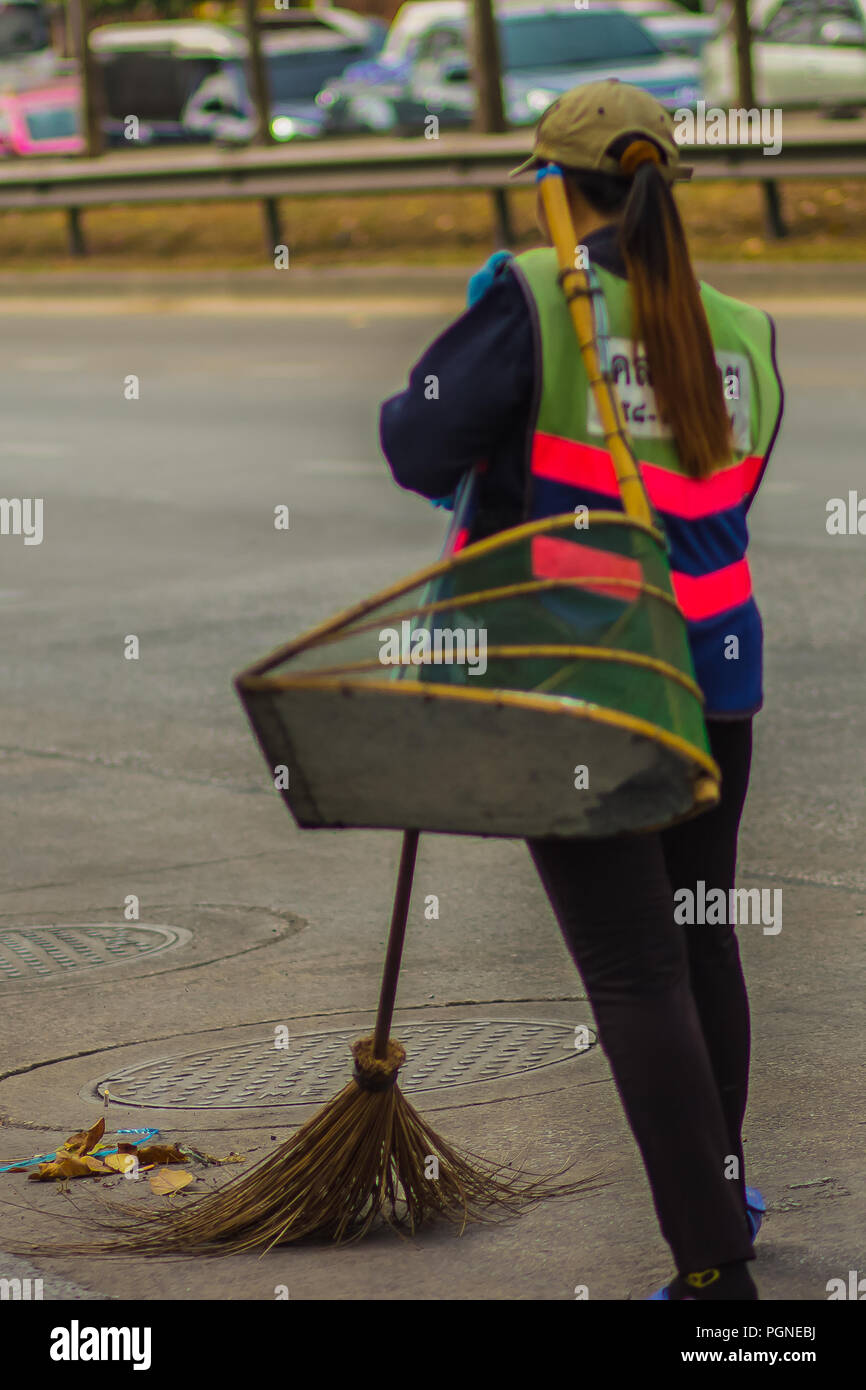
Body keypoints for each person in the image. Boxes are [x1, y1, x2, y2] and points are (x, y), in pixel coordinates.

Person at [379, 80, 785, 1300]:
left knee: (632, 967)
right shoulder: (742, 327)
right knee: (699, 934)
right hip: (714, 670)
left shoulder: (534, 297)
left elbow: (416, 443)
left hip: (583, 674)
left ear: (556, 186)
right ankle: (728, 1200)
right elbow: (714, 495)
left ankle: (714, 1269)